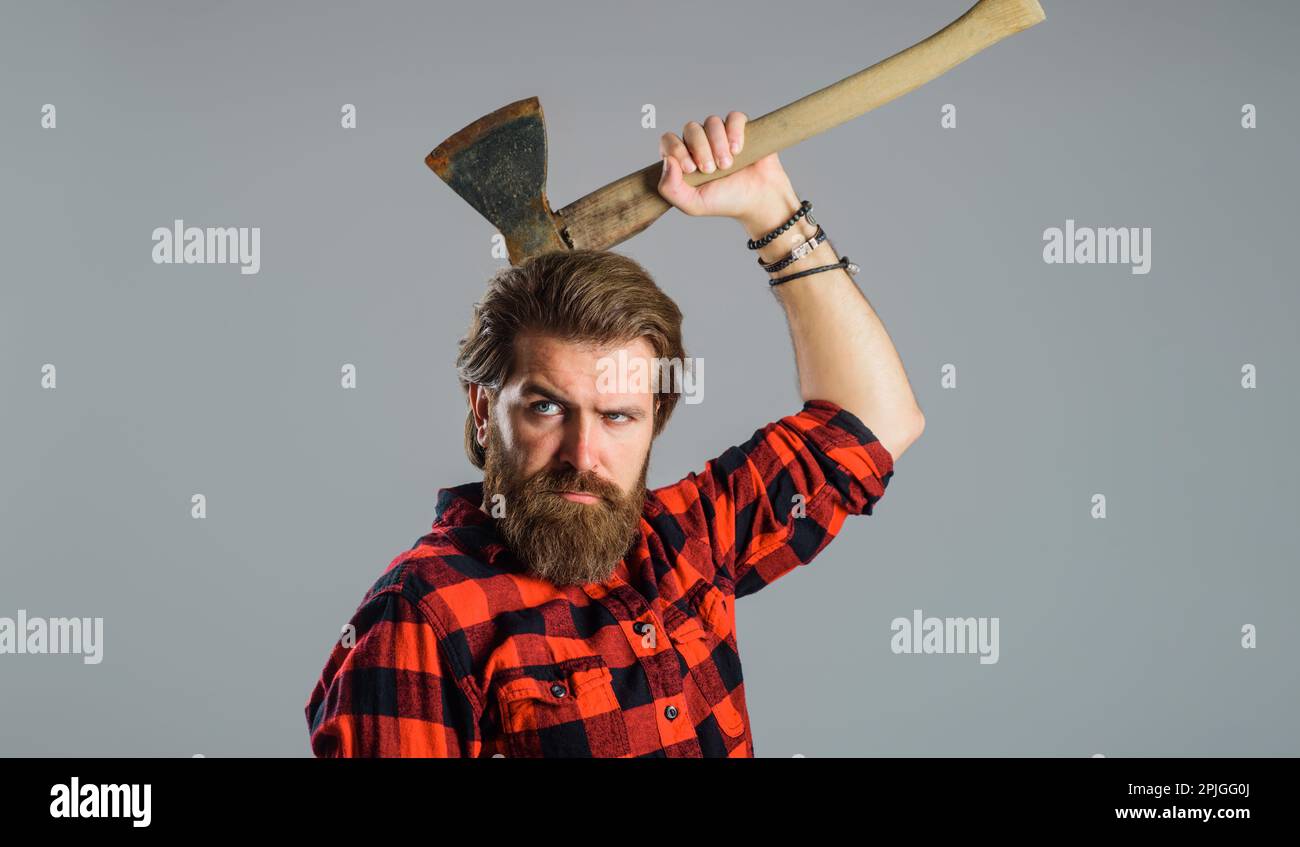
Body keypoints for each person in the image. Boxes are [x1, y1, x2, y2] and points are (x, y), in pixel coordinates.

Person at [304, 110, 924, 757]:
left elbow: (877, 419)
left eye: (618, 415)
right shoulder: (421, 620)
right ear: (485, 412)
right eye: (546, 408)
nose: (583, 454)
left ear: (657, 418)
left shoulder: (685, 545)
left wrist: (772, 209)